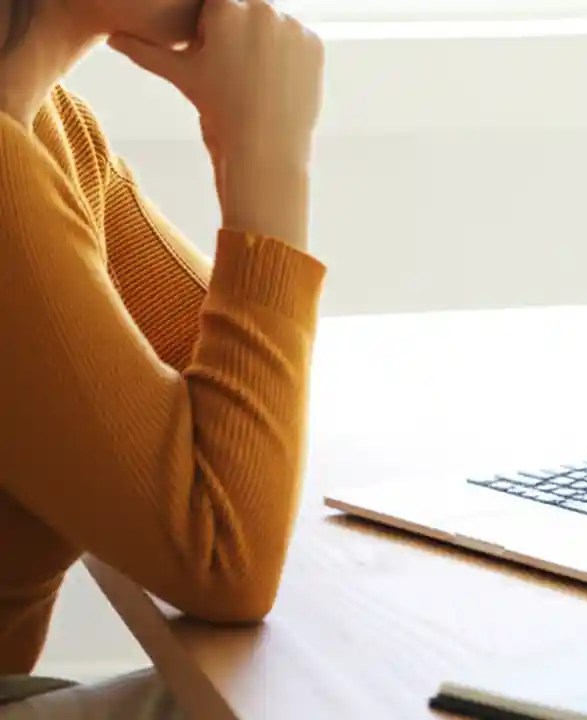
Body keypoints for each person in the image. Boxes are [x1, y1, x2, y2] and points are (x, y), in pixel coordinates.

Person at [1, 0, 326, 717]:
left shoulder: (52, 124)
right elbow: (224, 555)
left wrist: (245, 140)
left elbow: (240, 413)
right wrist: (266, 156)